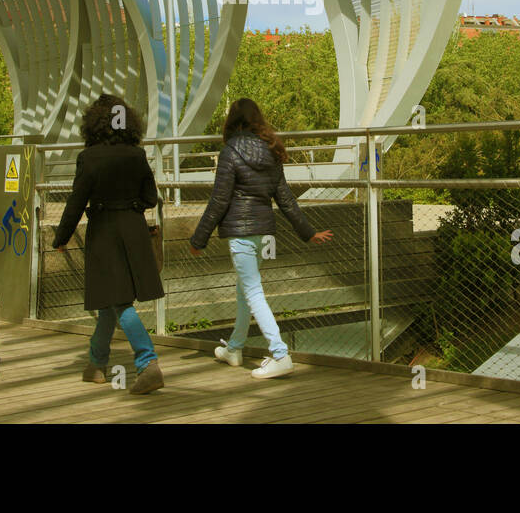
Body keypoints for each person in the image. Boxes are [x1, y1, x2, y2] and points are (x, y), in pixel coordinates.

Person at [189, 98, 334, 379]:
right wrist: (308, 232)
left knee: (253, 292)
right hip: (264, 234)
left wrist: (199, 239)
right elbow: (286, 199)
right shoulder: (270, 152)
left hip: (241, 234)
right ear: (257, 120)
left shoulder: (230, 152)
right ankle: (234, 348)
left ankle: (280, 354)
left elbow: (219, 200)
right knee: (245, 291)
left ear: (232, 121)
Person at [52, 94, 166, 395]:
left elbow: (76, 202)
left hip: (104, 232)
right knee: (109, 302)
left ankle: (147, 361)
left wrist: (61, 238)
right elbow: (150, 198)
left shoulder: (89, 158)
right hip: (133, 228)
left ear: (94, 124)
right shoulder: (136, 155)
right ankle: (96, 364)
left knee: (119, 301)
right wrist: (131, 207)